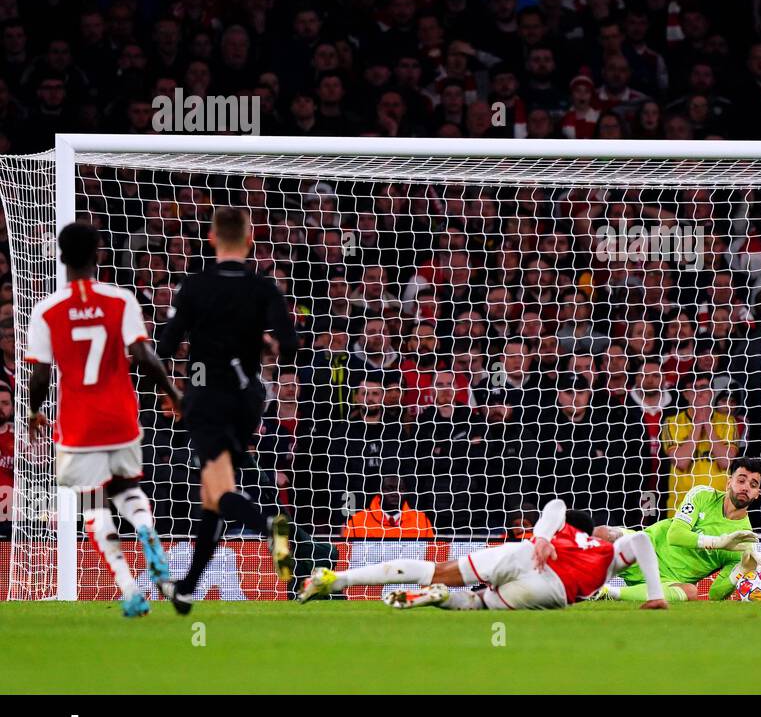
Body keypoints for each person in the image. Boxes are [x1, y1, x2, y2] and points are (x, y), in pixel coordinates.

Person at [24, 222, 183, 617]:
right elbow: (145, 358)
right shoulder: (121, 300)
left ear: (60, 257)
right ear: (98, 254)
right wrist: (174, 393)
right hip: (121, 416)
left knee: (93, 501)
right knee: (128, 489)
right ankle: (145, 529)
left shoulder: (47, 311)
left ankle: (129, 587)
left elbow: (40, 375)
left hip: (79, 424)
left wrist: (34, 410)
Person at [156, 207, 300, 613]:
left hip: (206, 394)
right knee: (212, 497)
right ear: (250, 240)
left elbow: (165, 347)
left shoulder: (196, 286)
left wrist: (172, 384)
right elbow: (289, 345)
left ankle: (270, 527)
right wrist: (266, 344)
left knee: (219, 491)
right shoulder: (263, 286)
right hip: (248, 398)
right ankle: (185, 590)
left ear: (211, 237)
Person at [298, 498, 668, 611]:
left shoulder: (561, 531)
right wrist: (655, 595)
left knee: (434, 569)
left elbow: (556, 504)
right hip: (553, 590)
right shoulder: (606, 555)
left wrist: (540, 538)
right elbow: (641, 543)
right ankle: (440, 601)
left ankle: (338, 578)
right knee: (475, 605)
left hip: (526, 553)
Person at [594, 456, 761, 603]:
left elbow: (715, 593)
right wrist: (718, 542)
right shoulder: (702, 495)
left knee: (691, 592)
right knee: (603, 533)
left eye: (753, 484)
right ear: (729, 482)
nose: (745, 487)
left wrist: (742, 570)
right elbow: (675, 535)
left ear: (757, 493)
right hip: (645, 547)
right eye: (741, 480)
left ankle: (606, 594)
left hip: (668, 581)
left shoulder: (745, 542)